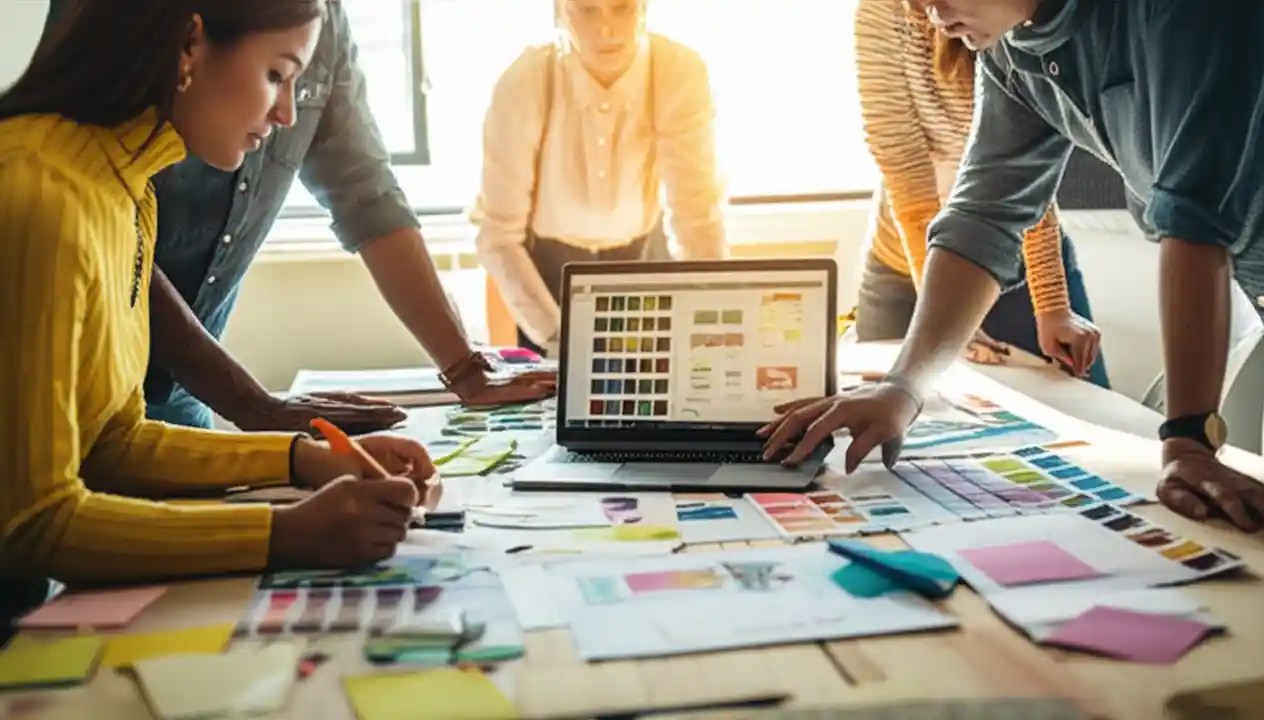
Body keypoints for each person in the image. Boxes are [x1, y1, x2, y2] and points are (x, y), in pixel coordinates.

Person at [763, 0, 1264, 533]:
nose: (929, 11)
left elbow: (1194, 211)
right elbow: (983, 217)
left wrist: (1189, 440)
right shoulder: (1012, 49)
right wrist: (903, 387)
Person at [0, 0, 436, 602]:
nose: (286, 114)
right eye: (276, 75)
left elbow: (113, 443)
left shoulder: (126, 191)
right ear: (189, 45)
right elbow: (32, 521)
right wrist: (285, 532)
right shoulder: (39, 191)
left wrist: (305, 460)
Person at [36, 0, 555, 435]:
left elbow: (367, 193)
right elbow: (109, 237)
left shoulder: (319, 22)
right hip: (71, 380)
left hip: (181, 402)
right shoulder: (69, 168)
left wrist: (464, 368)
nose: (285, 114)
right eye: (273, 76)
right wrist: (255, 409)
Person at [853, 0, 1106, 386]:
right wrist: (940, 311)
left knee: (1079, 405)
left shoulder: (1004, 13)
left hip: (1016, 259)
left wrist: (1052, 304)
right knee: (894, 414)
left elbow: (1021, 168)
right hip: (904, 266)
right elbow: (905, 171)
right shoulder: (882, 14)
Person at [474, 0, 727, 357]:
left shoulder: (678, 70)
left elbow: (696, 211)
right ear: (562, 11)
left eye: (621, 8)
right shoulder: (525, 81)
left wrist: (712, 319)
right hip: (546, 274)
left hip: (643, 260)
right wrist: (557, 338)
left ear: (643, 8)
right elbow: (498, 236)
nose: (605, 28)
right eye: (587, 9)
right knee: (554, 405)